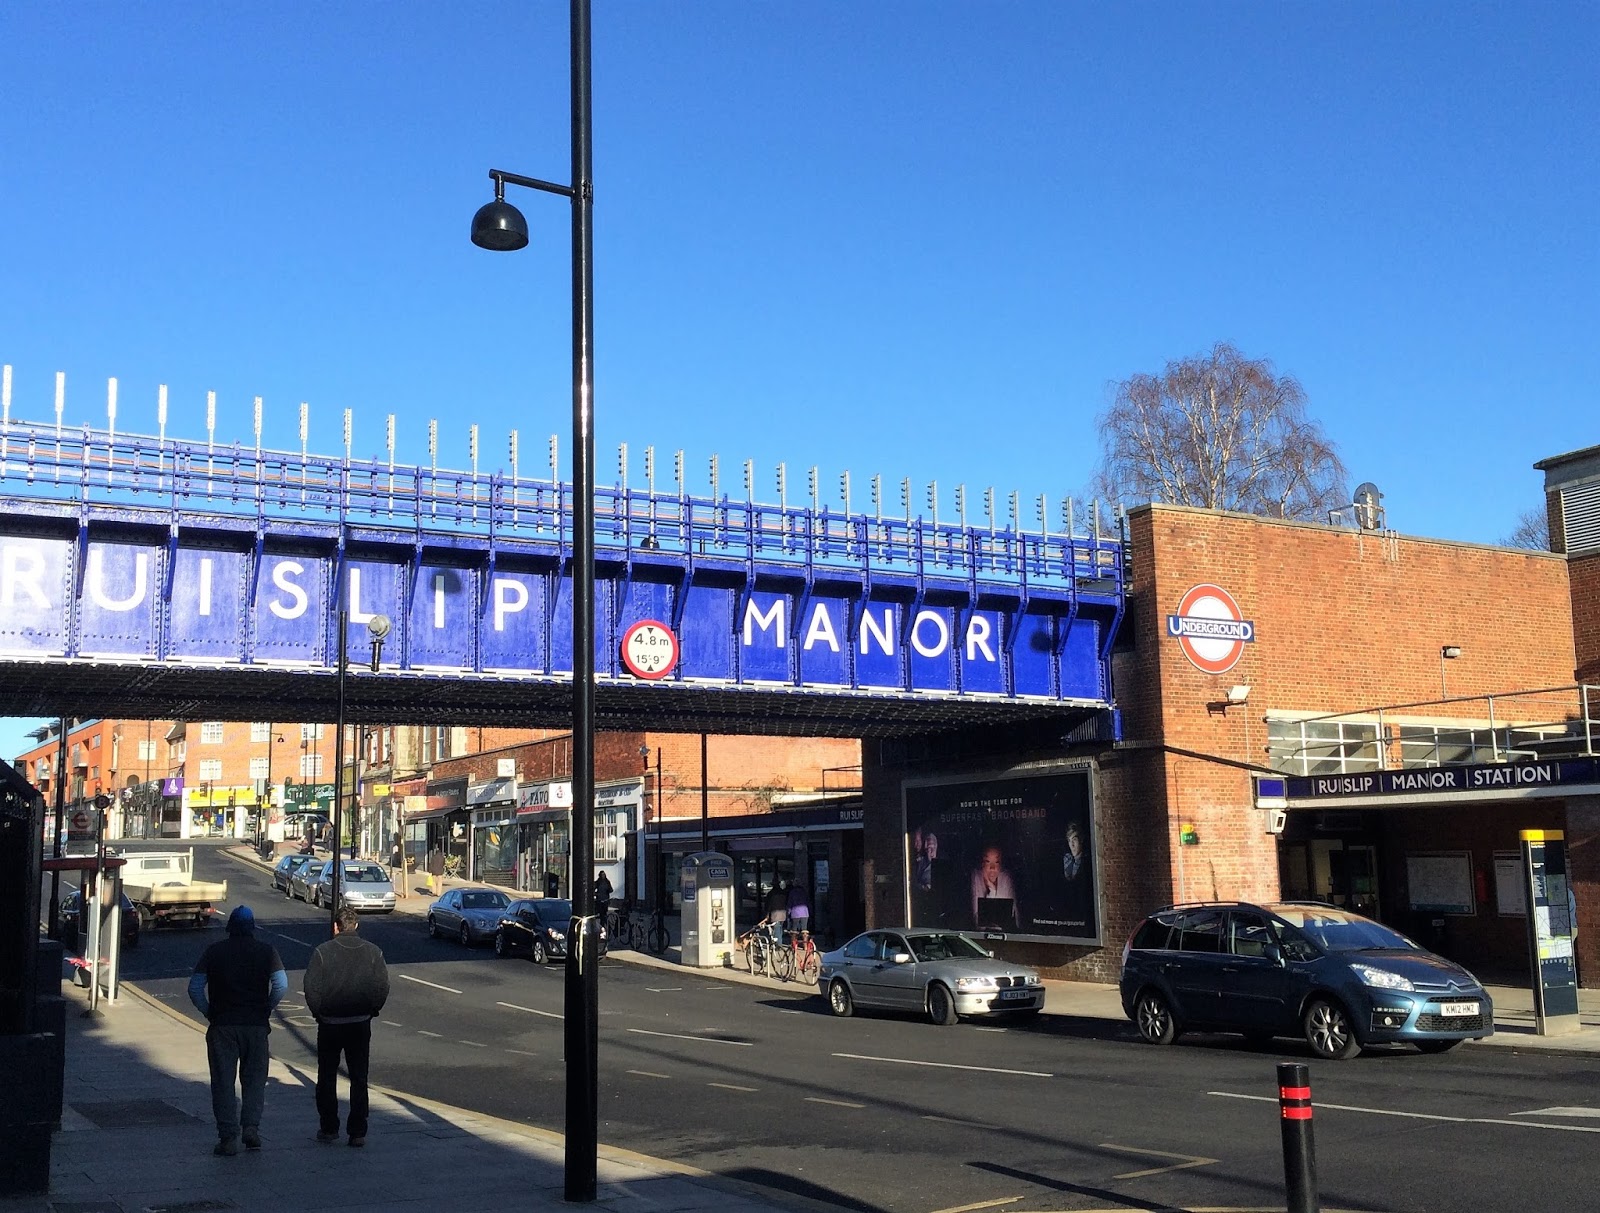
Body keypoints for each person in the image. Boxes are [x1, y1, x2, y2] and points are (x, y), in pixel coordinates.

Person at [187, 905, 287, 1156]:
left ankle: (228, 1136)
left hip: (223, 1025)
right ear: (252, 928)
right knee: (254, 1080)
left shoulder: (214, 951)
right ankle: (251, 1128)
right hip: (255, 1025)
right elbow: (281, 985)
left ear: (229, 927)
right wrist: (267, 1006)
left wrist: (208, 1011)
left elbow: (195, 987)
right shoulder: (267, 951)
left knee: (223, 1082)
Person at [304, 904, 390, 1148]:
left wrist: (319, 1013)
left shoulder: (322, 952)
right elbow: (382, 986)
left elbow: (311, 988)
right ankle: (357, 1131)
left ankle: (329, 1127)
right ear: (357, 926)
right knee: (359, 1078)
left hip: (330, 1024)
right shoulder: (374, 952)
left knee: (327, 1076)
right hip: (360, 1024)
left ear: (335, 927)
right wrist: (372, 1010)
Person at [969, 844, 1019, 929]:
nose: (992, 868)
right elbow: (978, 924)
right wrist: (991, 891)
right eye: (987, 861)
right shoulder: (976, 877)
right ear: (982, 863)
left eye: (997, 862)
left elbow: (1011, 917)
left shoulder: (1005, 878)